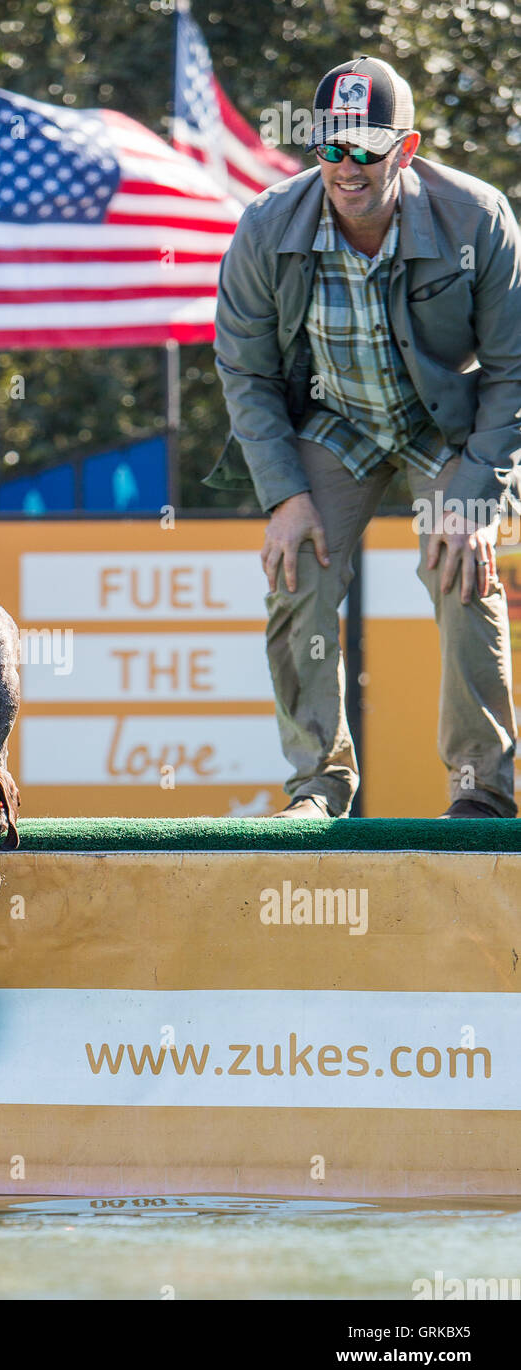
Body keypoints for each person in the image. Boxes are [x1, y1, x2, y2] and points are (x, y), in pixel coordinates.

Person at [210, 55, 521, 818]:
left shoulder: (478, 218)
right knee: (296, 571)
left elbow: (513, 372)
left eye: (366, 148)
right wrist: (285, 497)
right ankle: (319, 786)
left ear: (405, 149)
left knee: (462, 566)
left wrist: (476, 499)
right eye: (330, 146)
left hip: (446, 425)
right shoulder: (266, 227)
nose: (346, 167)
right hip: (335, 418)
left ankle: (481, 793)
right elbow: (246, 373)